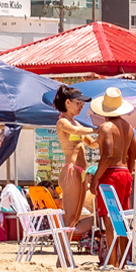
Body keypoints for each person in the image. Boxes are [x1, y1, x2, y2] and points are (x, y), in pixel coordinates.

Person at [89, 88, 136, 267]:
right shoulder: (129, 128)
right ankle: (124, 261)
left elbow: (107, 155)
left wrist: (95, 179)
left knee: (110, 220)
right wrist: (129, 173)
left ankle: (113, 261)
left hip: (110, 175)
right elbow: (134, 155)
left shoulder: (106, 127)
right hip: (125, 174)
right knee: (123, 220)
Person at [52, 86, 95, 233]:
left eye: (82, 105)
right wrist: (97, 129)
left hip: (81, 172)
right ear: (68, 102)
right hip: (71, 171)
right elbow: (75, 132)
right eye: (78, 103)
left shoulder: (77, 123)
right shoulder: (62, 122)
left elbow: (93, 144)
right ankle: (62, 254)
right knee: (69, 216)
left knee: (76, 217)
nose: (81, 107)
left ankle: (65, 255)